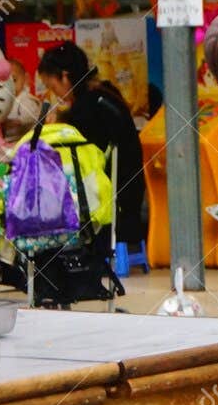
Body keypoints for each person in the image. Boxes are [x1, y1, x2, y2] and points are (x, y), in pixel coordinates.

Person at [37, 42, 147, 249]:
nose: (56, 95)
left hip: (115, 202)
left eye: (54, 87)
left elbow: (82, 158)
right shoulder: (103, 93)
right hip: (129, 194)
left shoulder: (87, 107)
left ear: (65, 76)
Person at [2, 60, 43, 143]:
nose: (11, 85)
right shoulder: (4, 100)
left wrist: (18, 121)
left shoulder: (26, 99)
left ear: (26, 78)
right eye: (5, 82)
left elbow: (31, 115)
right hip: (8, 140)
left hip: (25, 141)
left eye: (14, 80)